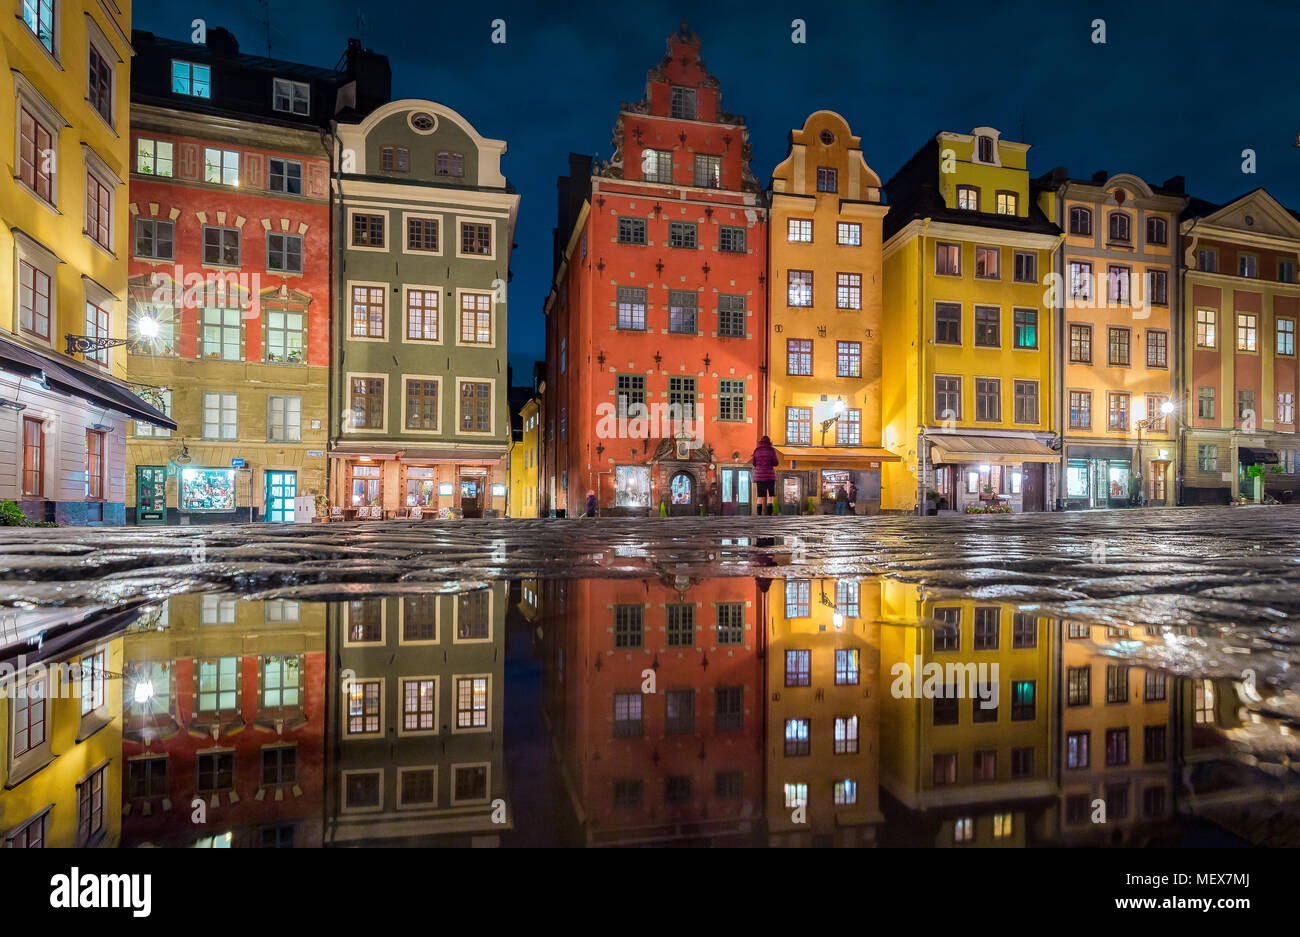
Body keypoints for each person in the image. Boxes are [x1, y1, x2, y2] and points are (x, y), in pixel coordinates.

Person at [751, 436, 779, 516]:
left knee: (759, 496)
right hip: (770, 476)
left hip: (759, 476)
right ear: (769, 441)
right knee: (769, 495)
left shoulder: (756, 450)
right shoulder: (771, 450)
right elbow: (776, 463)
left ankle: (759, 514)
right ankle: (769, 514)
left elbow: (754, 463)